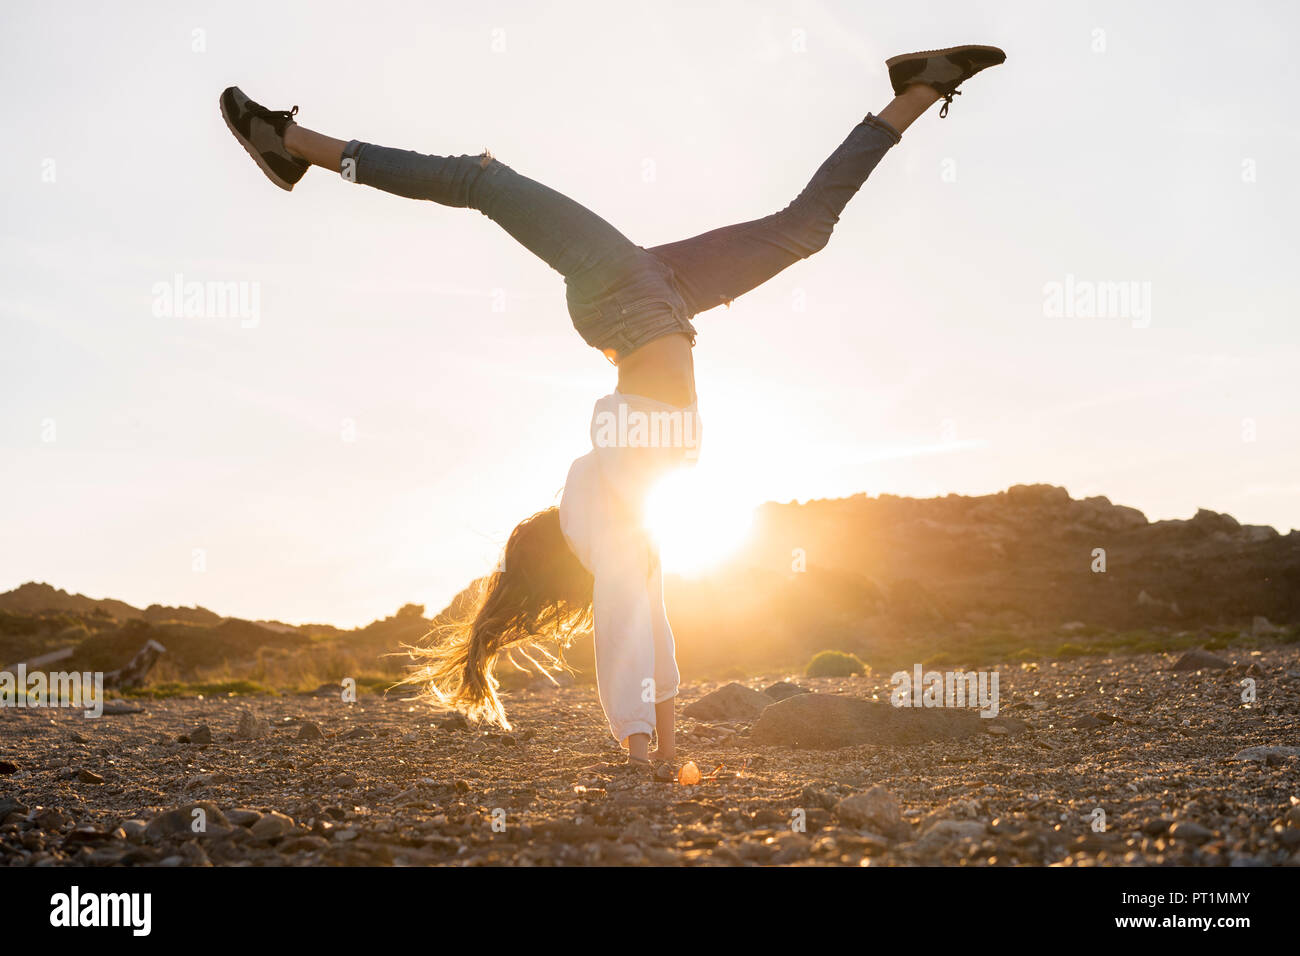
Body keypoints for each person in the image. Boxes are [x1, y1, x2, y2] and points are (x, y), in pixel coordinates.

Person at [220, 44, 1005, 771]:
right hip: (655, 304)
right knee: (804, 230)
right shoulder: (616, 524)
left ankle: (291, 145)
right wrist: (665, 746)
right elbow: (650, 630)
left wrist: (636, 747)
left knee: (481, 181)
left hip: (632, 304)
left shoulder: (607, 522)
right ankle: (918, 89)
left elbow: (626, 626)